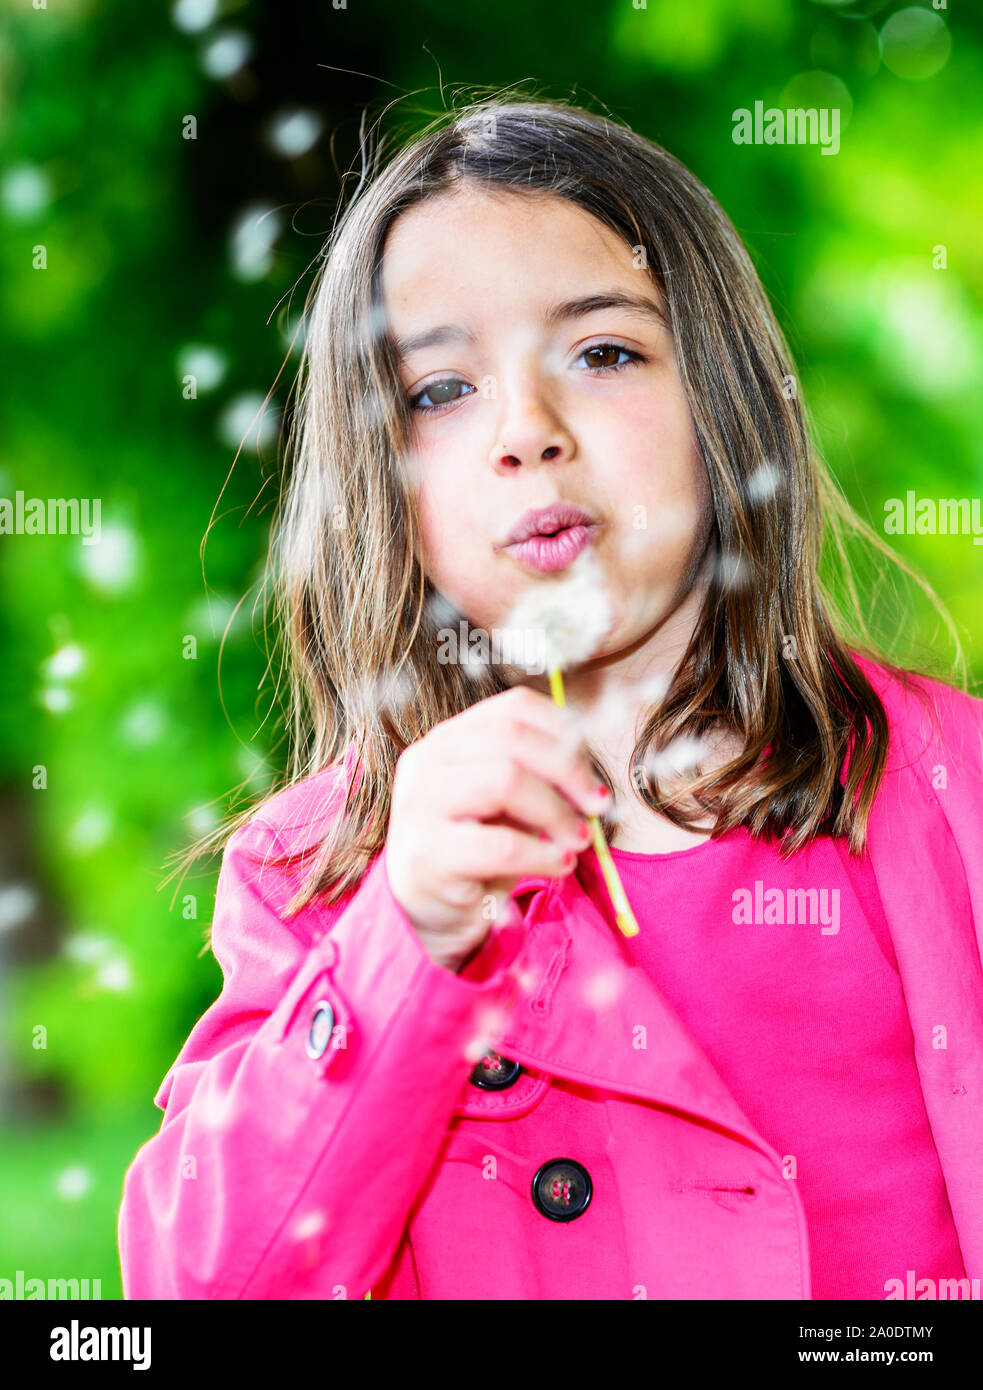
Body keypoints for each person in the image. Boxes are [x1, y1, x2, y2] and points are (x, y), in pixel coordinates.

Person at [117, 96, 983, 1301]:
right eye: (436, 391)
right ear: (385, 487)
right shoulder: (325, 875)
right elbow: (203, 1283)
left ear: (726, 404)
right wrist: (405, 939)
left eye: (602, 353)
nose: (526, 430)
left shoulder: (945, 787)